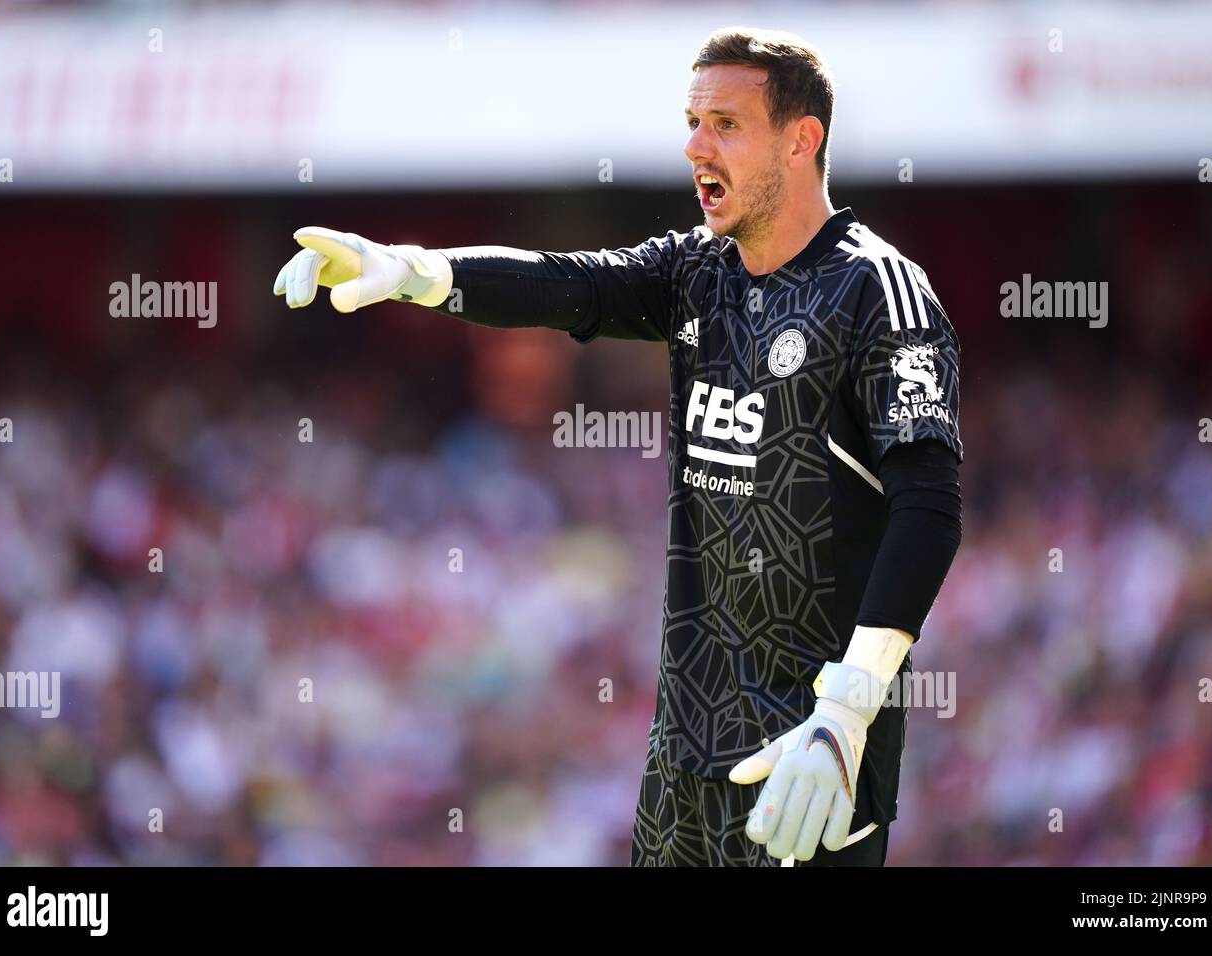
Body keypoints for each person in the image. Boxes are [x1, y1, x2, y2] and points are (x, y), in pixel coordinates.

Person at [273, 26, 964, 867]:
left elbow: (928, 509)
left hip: (806, 756)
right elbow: (571, 283)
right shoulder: (699, 272)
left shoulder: (878, 292)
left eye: (726, 124)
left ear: (801, 139)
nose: (694, 145)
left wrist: (848, 711)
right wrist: (415, 270)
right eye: (692, 120)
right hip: (682, 757)